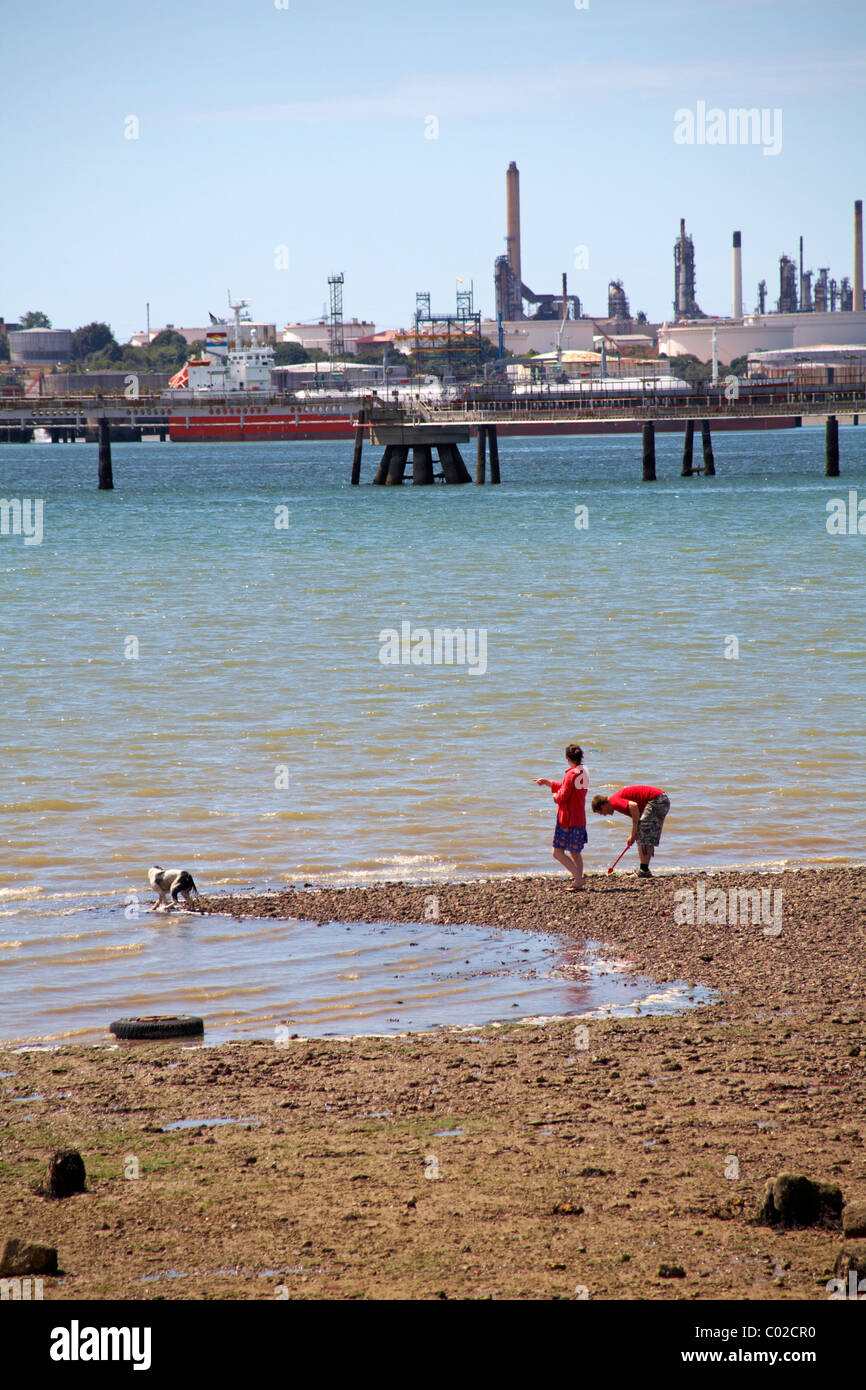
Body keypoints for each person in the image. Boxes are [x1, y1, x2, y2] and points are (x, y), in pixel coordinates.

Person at [535, 744, 589, 891]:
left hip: (568, 819)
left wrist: (554, 796)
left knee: (557, 852)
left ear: (567, 758)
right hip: (579, 818)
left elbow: (563, 796)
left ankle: (578, 878)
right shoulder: (583, 771)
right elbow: (568, 787)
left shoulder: (571, 774)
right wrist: (549, 783)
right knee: (575, 851)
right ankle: (578, 880)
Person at [591, 785, 670, 878]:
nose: (604, 815)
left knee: (641, 830)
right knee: (644, 831)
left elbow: (633, 805)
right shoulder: (615, 800)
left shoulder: (613, 801)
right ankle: (644, 869)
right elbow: (638, 813)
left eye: (601, 812)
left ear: (603, 805)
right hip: (662, 800)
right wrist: (639, 834)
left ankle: (644, 870)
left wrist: (633, 832)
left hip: (657, 800)